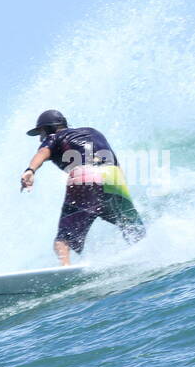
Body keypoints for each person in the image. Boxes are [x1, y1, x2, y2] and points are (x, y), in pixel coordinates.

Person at [20, 109, 146, 265]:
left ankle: (65, 268)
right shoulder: (93, 132)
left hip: (85, 175)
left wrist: (30, 170)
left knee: (62, 241)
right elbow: (113, 160)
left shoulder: (54, 137)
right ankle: (148, 253)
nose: (40, 138)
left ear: (48, 129)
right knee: (131, 226)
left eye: (41, 133)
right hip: (114, 176)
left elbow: (43, 152)